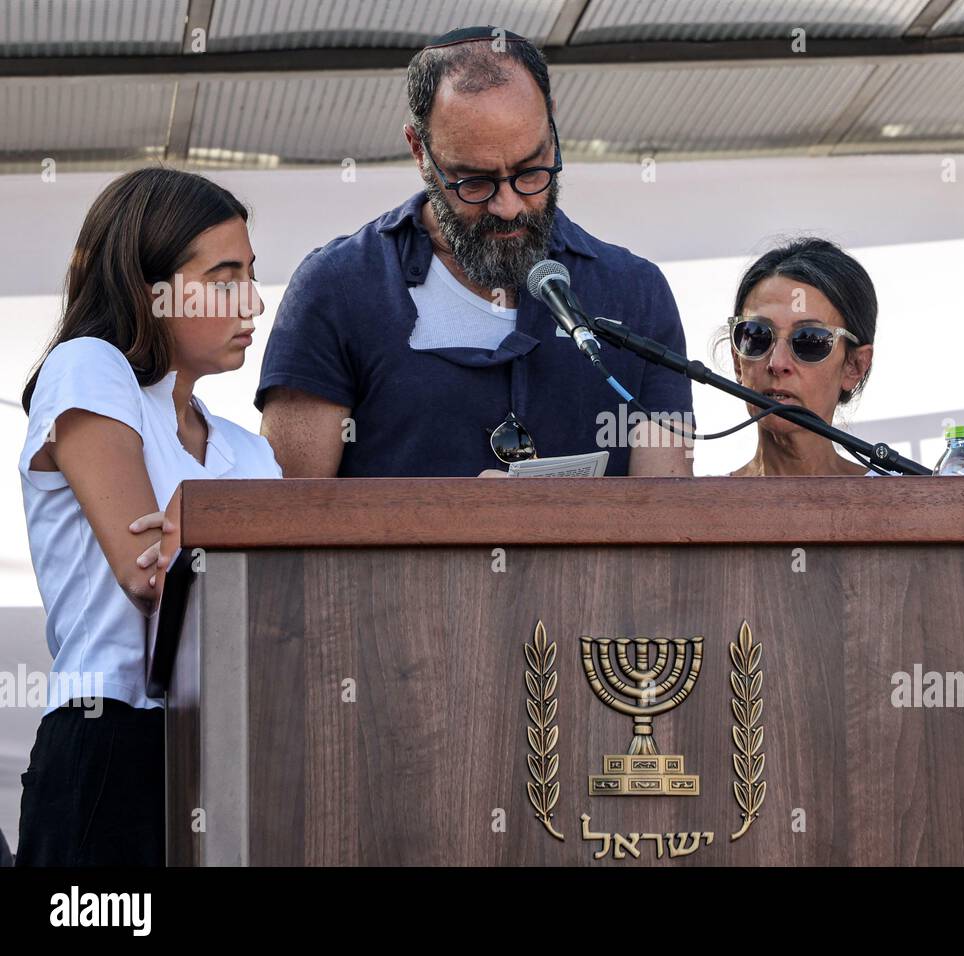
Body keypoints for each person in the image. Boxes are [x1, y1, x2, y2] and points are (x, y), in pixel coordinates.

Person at [257, 26, 692, 478]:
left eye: (530, 171)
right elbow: (290, 524)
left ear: (552, 125)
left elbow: (665, 513)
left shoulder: (637, 293)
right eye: (475, 182)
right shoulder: (337, 288)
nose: (508, 207)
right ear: (418, 151)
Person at [16, 168, 281, 865]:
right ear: (147, 287)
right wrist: (214, 523)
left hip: (233, 749)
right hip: (110, 737)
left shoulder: (249, 450)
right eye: (225, 277)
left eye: (252, 275)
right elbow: (150, 573)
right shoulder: (88, 367)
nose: (251, 302)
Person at [724, 238, 875, 477]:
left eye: (809, 341)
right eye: (757, 336)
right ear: (736, 359)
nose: (777, 363)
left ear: (854, 366)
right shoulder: (704, 507)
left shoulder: (902, 503)